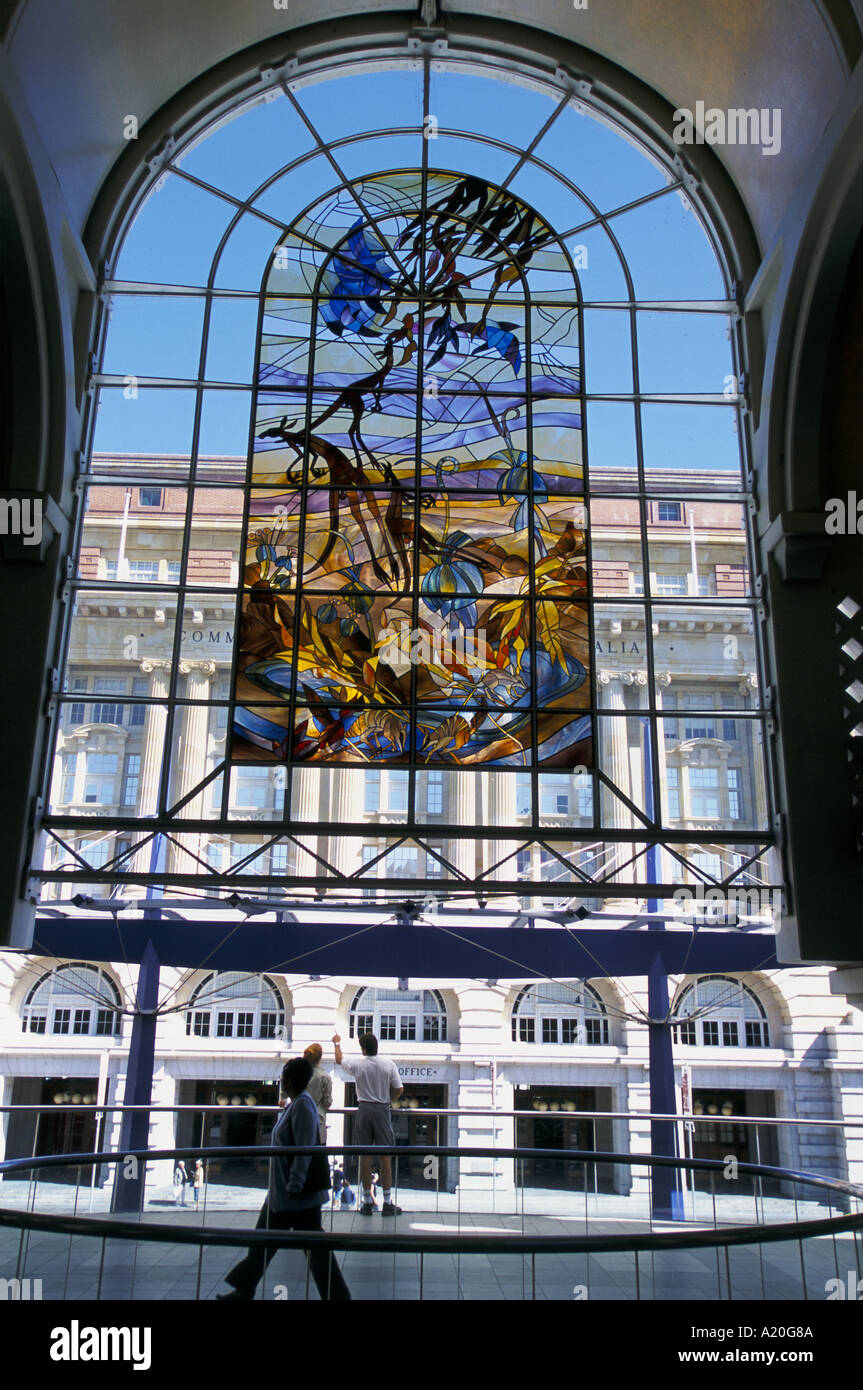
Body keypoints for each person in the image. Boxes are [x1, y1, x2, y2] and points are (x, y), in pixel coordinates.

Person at [217, 1057, 350, 1302]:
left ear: (290, 1081)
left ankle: (338, 1297)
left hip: (294, 1195)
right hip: (283, 1193)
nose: (281, 1083)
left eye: (283, 1079)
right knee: (266, 1243)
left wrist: (295, 1185)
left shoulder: (302, 1106)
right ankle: (244, 1290)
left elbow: (304, 1149)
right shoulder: (295, 1104)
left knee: (308, 1248)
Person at [332, 1031, 403, 1216]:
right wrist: (388, 1099)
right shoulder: (388, 1064)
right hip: (382, 1110)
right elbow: (399, 1088)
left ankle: (366, 1202)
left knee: (365, 1156)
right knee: (385, 1156)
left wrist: (337, 1043)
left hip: (363, 1109)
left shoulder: (358, 1064)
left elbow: (339, 1060)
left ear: (363, 1049)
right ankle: (387, 1202)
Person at [303, 1043, 333, 1141]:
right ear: (320, 1058)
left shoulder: (299, 1074)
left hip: (299, 1117)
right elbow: (327, 1102)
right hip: (317, 1118)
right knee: (318, 1152)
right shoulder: (324, 1077)